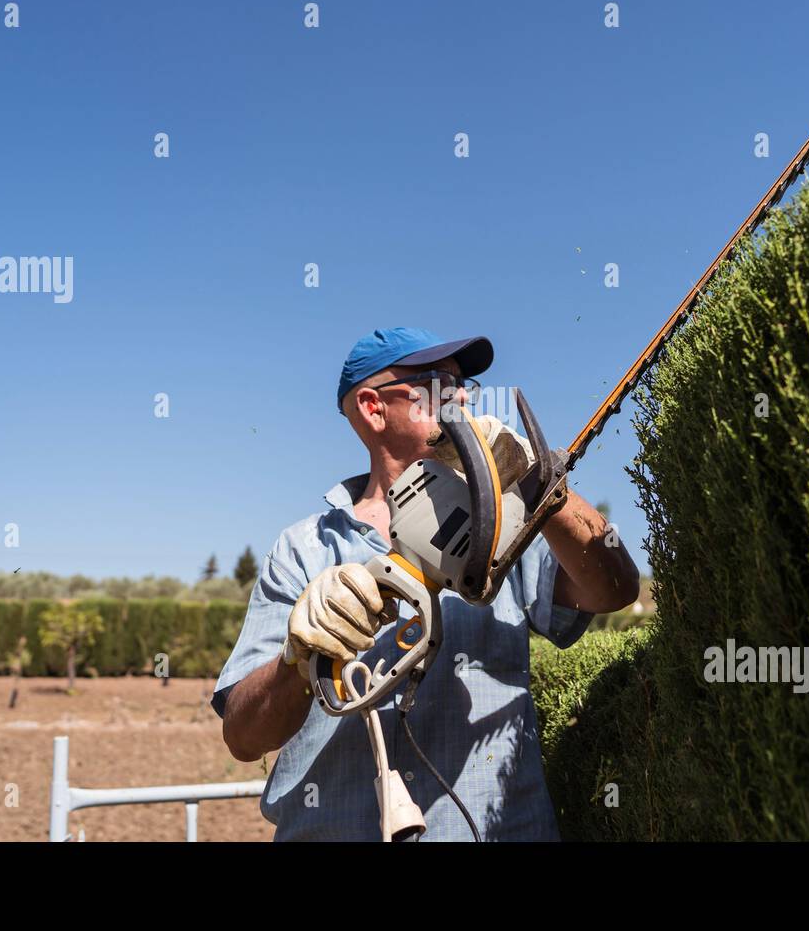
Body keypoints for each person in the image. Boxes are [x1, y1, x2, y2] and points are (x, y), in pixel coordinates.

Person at [212, 327, 639, 840]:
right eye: (438, 383)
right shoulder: (303, 549)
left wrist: (538, 485)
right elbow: (243, 736)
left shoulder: (507, 518)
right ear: (373, 408)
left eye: (465, 385)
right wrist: (296, 659)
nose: (460, 396)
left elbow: (614, 587)